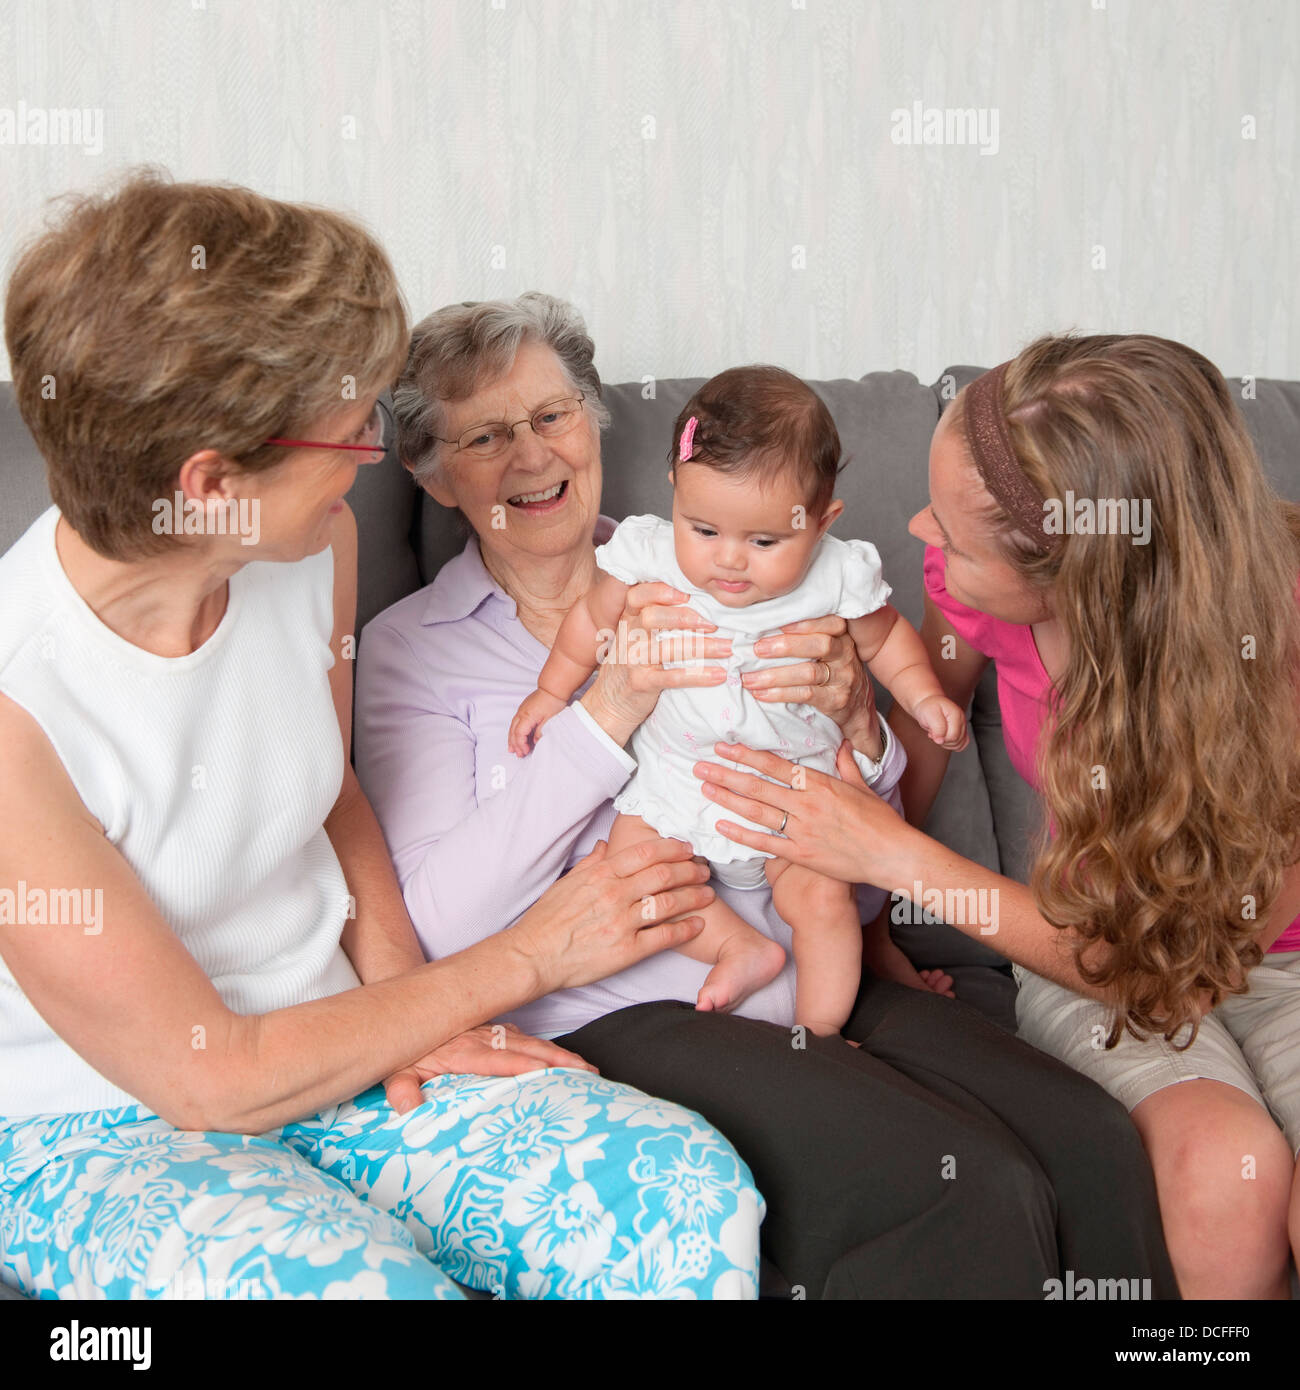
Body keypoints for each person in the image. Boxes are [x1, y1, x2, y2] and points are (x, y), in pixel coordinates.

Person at [0, 171, 765, 1301]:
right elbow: (214, 1080)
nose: (375, 456)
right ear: (210, 483)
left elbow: (334, 796)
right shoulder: (16, 709)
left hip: (342, 1038)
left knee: (684, 1195)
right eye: (351, 430)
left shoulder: (307, 551)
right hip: (110, 1124)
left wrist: (408, 1009)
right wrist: (526, 958)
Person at [355, 292, 1180, 1298]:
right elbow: (436, 927)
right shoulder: (413, 651)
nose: (533, 455)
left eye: (552, 415)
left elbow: (864, 868)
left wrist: (862, 727)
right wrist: (606, 709)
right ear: (429, 472)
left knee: (1091, 1143)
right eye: (485, 436)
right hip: (633, 1005)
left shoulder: (758, 569)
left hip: (827, 969)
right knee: (958, 1188)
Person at [691, 334, 1300, 1299]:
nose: (919, 531)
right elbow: (924, 730)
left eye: (955, 535)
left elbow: (1180, 965)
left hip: (1226, 958)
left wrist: (895, 858)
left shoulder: (1281, 631)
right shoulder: (975, 600)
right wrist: (867, 911)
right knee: (1221, 1173)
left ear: (1086, 572)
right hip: (1086, 955)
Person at [508, 364, 966, 1034]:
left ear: (822, 522)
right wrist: (551, 692)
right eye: (704, 530)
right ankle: (738, 947)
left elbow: (889, 640)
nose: (728, 559)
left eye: (763, 541)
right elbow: (590, 622)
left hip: (794, 800)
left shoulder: (837, 573)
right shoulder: (649, 556)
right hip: (677, 783)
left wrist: (924, 698)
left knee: (826, 905)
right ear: (675, 492)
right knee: (633, 870)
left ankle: (820, 1038)